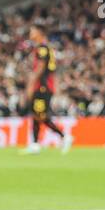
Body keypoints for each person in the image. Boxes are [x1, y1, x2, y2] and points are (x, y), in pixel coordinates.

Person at [23, 25, 71, 154]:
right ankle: (35, 144)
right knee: (36, 115)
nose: (30, 33)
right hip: (44, 86)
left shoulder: (42, 49)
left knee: (41, 116)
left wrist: (30, 84)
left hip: (42, 86)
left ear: (39, 32)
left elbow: (40, 68)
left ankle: (64, 136)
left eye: (32, 31)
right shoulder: (45, 48)